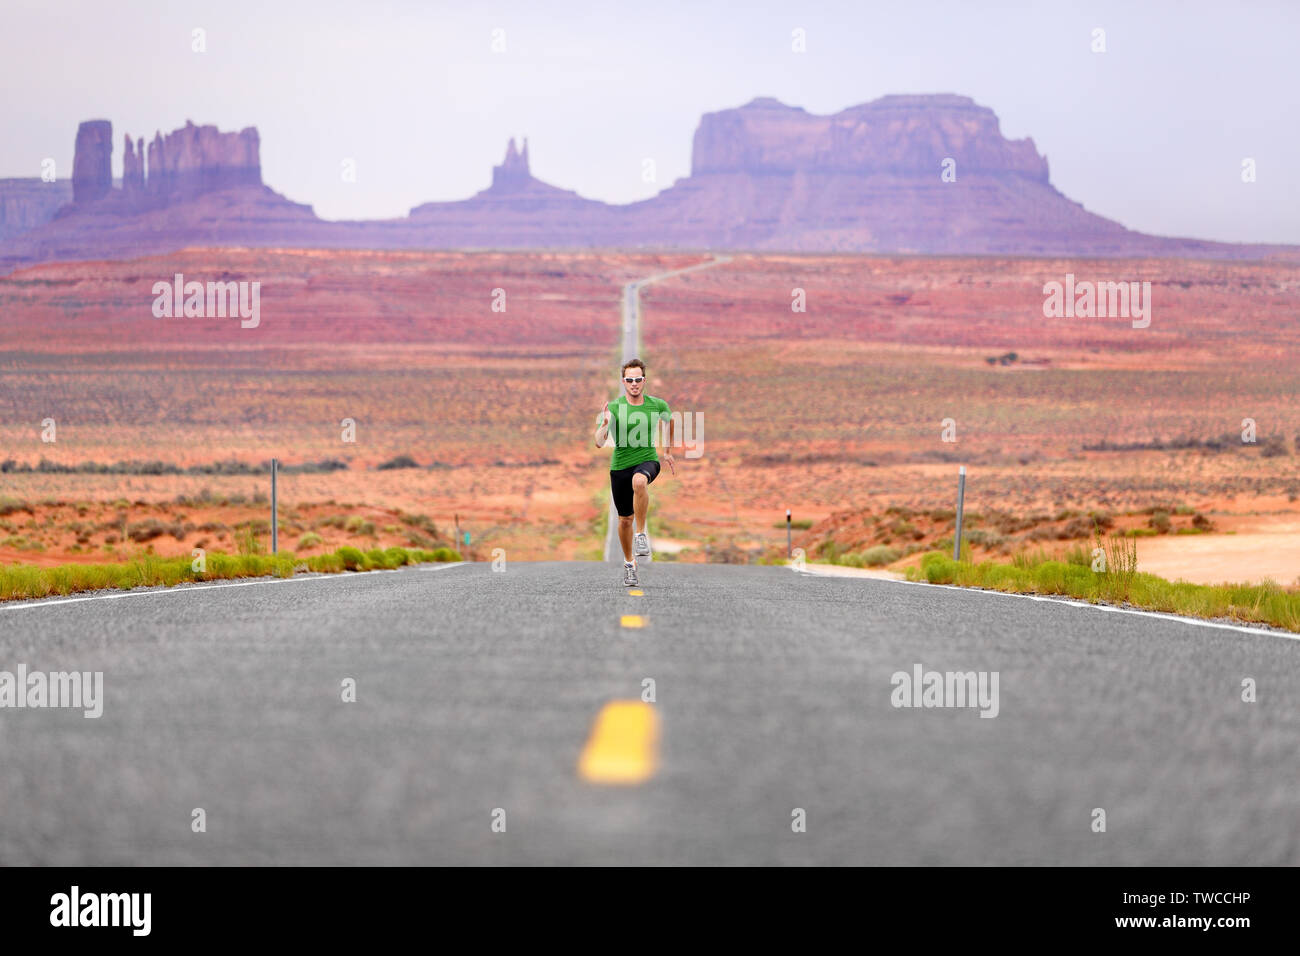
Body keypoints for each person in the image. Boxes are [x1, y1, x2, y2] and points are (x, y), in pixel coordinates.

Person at [593, 358, 675, 587]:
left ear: (644, 380)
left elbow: (669, 422)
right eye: (629, 380)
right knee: (624, 520)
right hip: (619, 467)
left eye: (638, 379)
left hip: (647, 460)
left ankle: (641, 536)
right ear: (624, 382)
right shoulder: (615, 407)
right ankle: (630, 565)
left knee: (639, 482)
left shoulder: (657, 405)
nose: (634, 383)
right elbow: (599, 443)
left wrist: (667, 452)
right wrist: (605, 423)